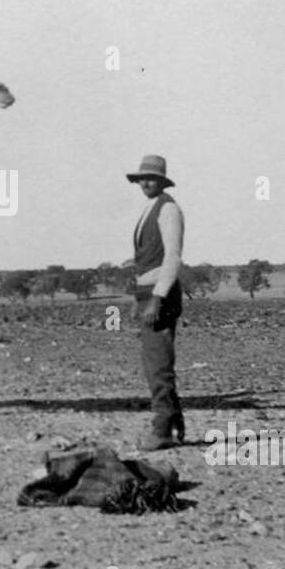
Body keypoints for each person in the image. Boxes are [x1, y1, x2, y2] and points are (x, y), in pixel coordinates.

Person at [127, 154, 185, 451]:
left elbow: (173, 257)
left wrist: (157, 299)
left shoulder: (168, 209)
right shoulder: (151, 207)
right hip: (147, 291)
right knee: (155, 362)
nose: (145, 183)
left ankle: (162, 430)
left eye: (151, 178)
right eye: (141, 179)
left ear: (162, 181)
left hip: (159, 294)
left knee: (158, 364)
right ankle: (174, 425)